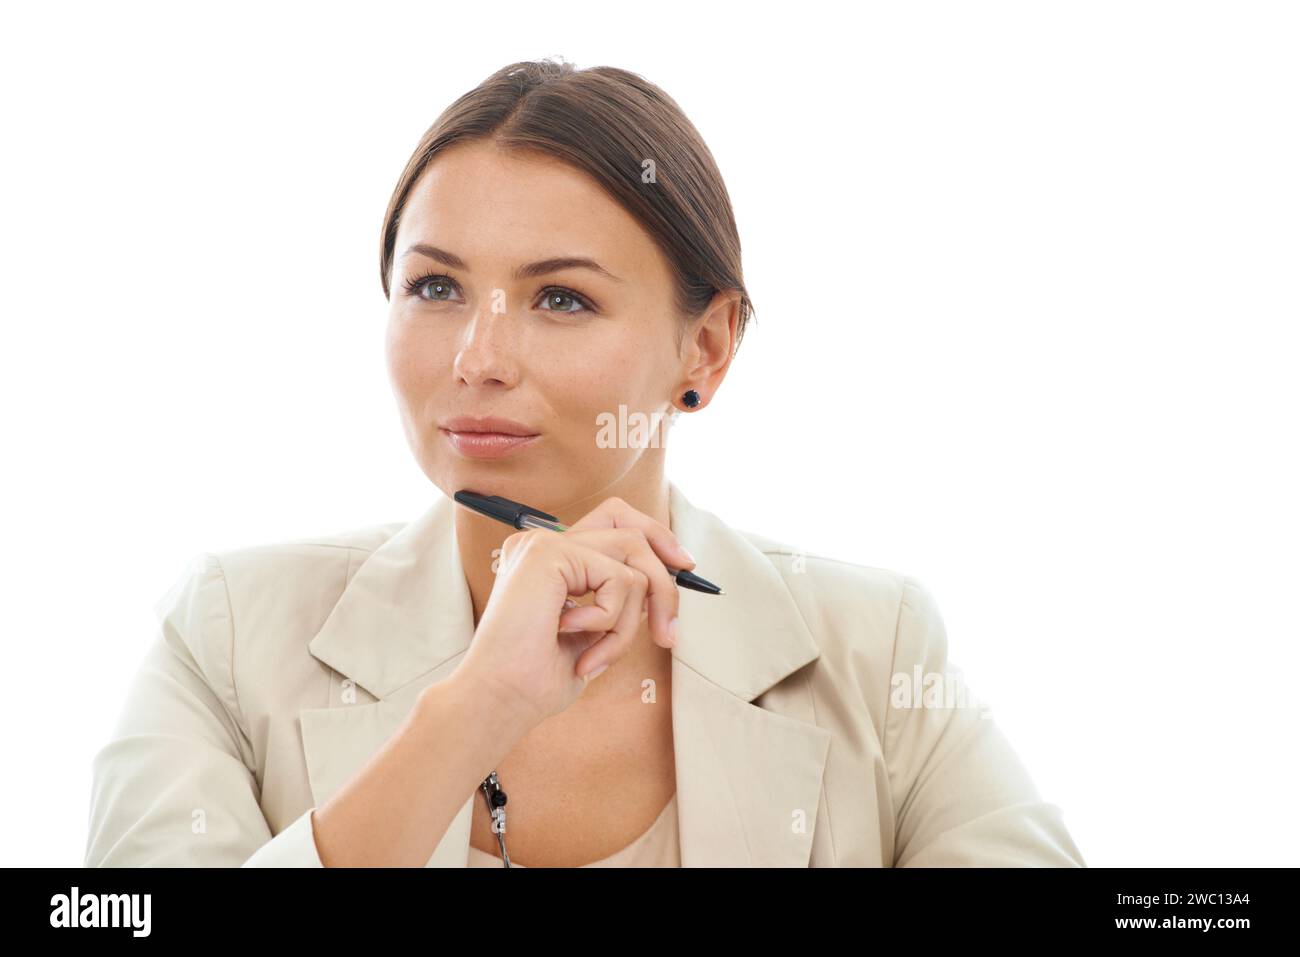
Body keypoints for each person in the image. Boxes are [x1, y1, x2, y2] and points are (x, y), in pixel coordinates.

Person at [85, 58, 1085, 868]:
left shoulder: (872, 649)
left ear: (707, 349)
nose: (477, 359)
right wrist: (472, 713)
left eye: (560, 298)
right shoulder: (226, 636)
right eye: (434, 287)